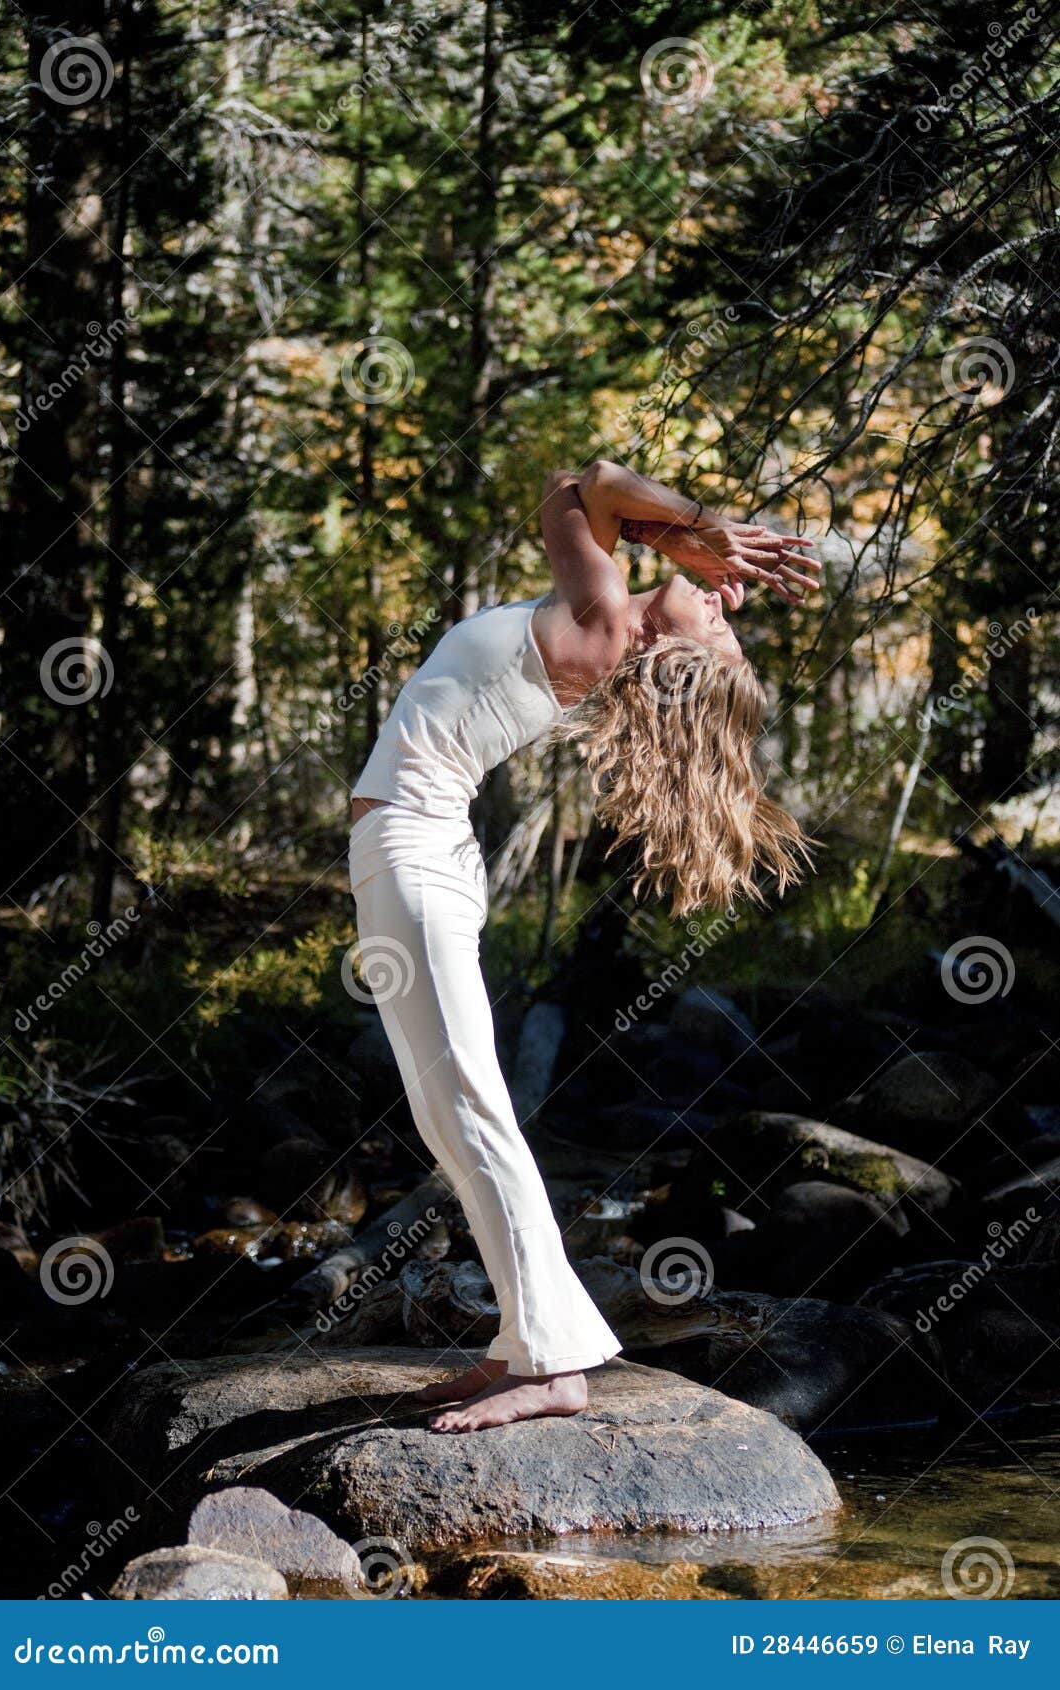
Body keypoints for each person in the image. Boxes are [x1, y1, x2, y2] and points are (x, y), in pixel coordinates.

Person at [348, 461, 820, 1432]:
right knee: (451, 1117)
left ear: (670, 653)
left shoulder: (605, 613)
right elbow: (584, 498)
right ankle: (527, 1344)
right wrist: (683, 538)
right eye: (730, 611)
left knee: (469, 1108)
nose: (726, 603)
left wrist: (701, 526)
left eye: (722, 628)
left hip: (415, 853)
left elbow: (581, 481)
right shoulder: (607, 601)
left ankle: (556, 1362)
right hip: (414, 854)